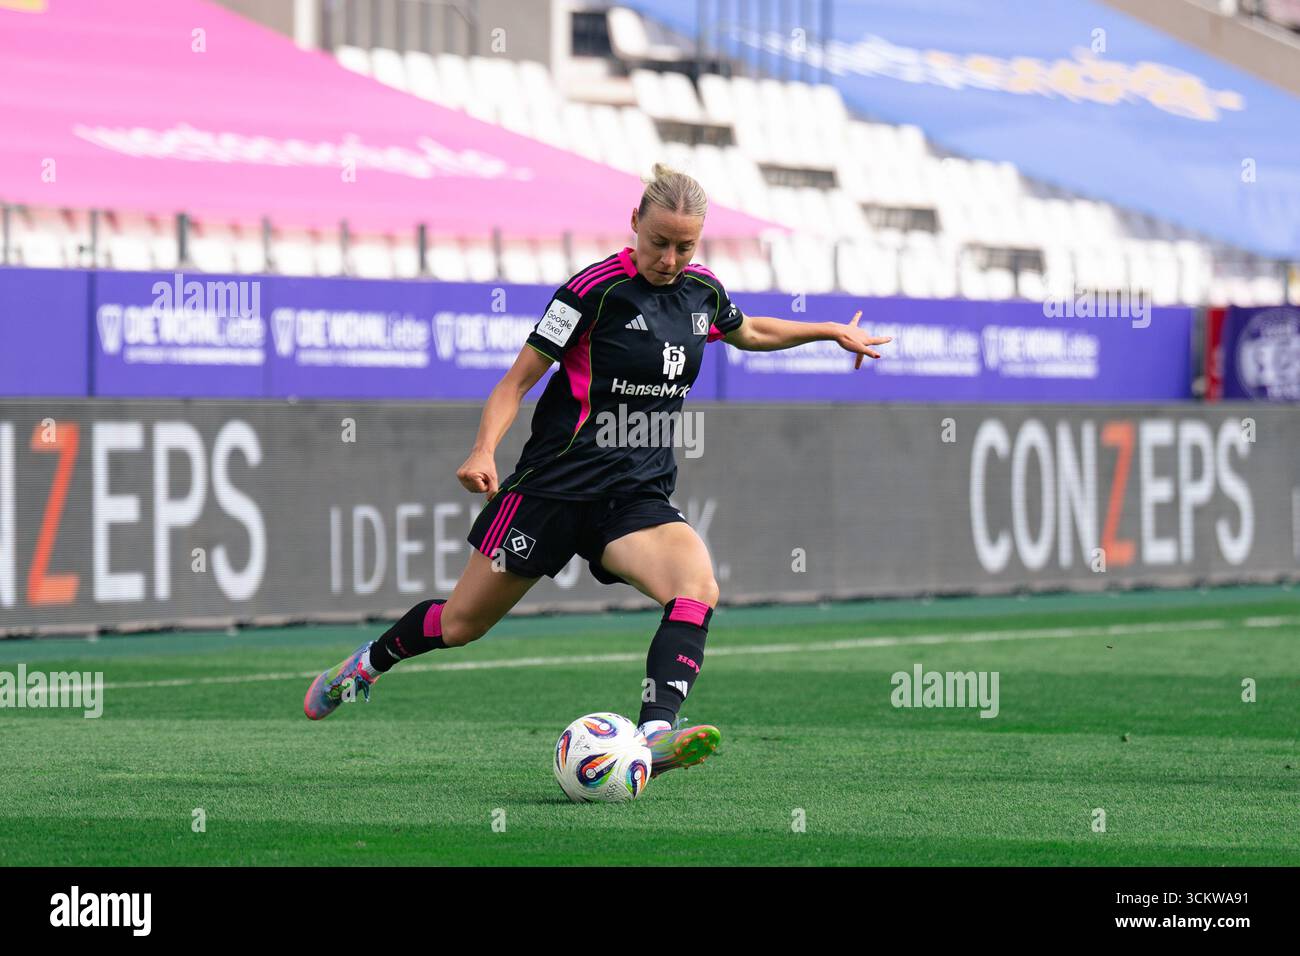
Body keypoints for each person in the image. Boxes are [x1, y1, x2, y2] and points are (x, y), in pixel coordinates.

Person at [304, 163, 891, 777]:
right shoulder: (590, 292)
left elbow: (750, 331)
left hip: (633, 497)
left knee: (696, 587)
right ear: (634, 223)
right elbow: (516, 382)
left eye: (684, 246)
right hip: (554, 488)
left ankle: (657, 731)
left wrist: (825, 332)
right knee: (459, 624)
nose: (669, 258)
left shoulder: (703, 292)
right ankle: (365, 666)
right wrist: (483, 449)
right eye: (659, 242)